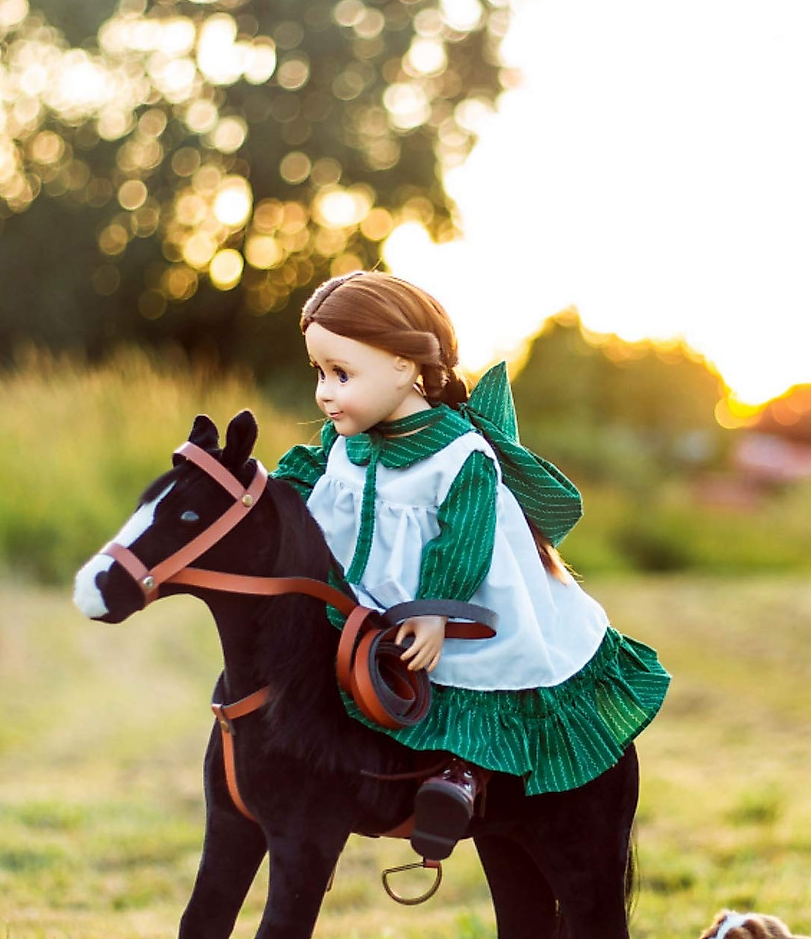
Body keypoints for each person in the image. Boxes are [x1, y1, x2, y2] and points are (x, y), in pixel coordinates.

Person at [273, 271, 669, 860]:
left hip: (459, 601)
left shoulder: (457, 454)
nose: (324, 393)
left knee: (476, 673)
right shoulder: (344, 446)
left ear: (405, 367)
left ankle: (464, 773)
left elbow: (463, 542)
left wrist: (436, 612)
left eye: (341, 374)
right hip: (369, 604)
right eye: (320, 374)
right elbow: (305, 492)